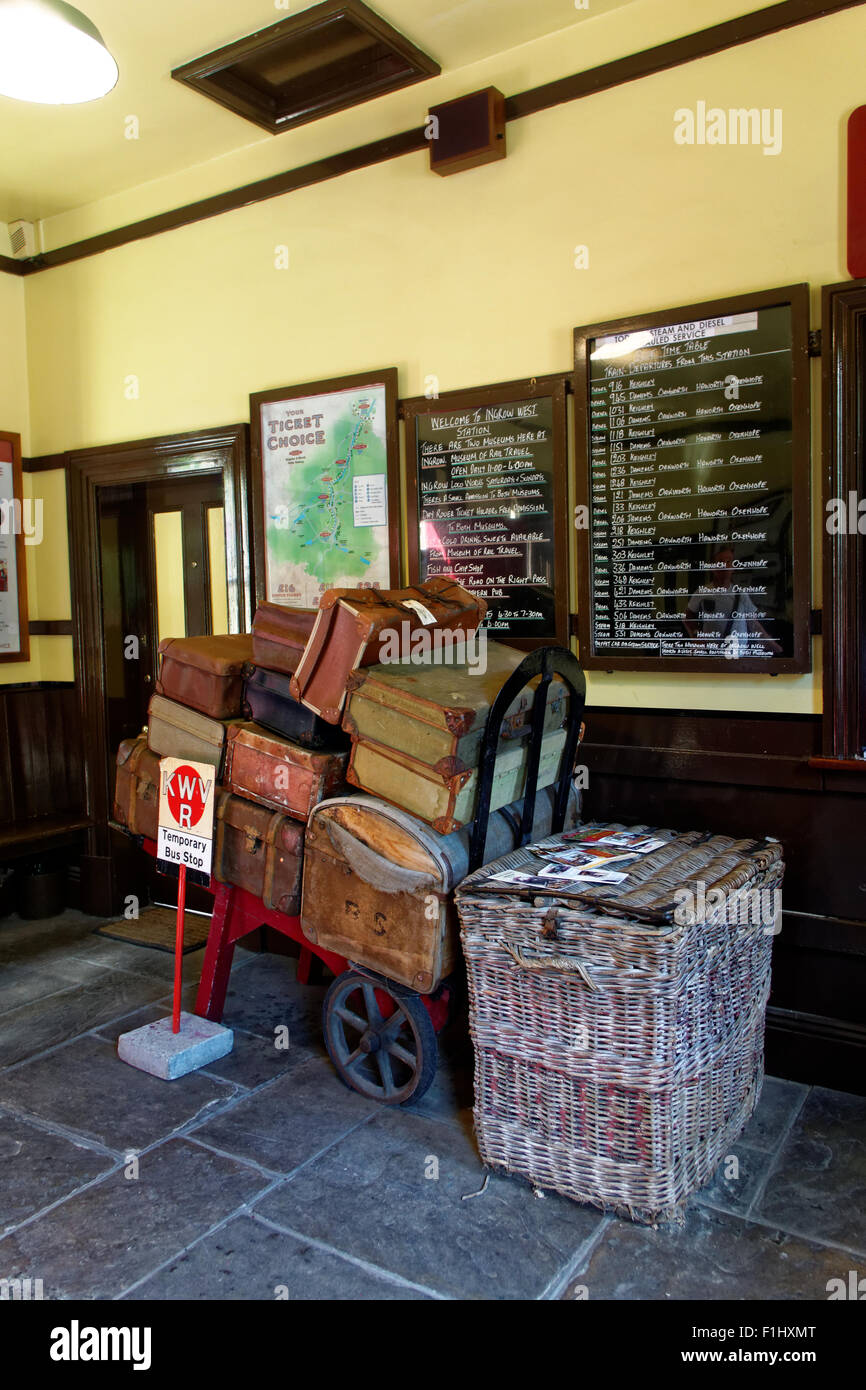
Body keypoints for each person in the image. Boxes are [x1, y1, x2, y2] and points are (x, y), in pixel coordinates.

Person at [684, 544, 782, 656]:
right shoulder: (702, 592)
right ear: (712, 567)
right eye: (720, 561)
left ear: (733, 567)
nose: (724, 565)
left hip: (739, 658)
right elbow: (688, 617)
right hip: (711, 655)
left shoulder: (741, 594)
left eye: (728, 561)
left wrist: (772, 646)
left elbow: (754, 624)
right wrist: (697, 637)